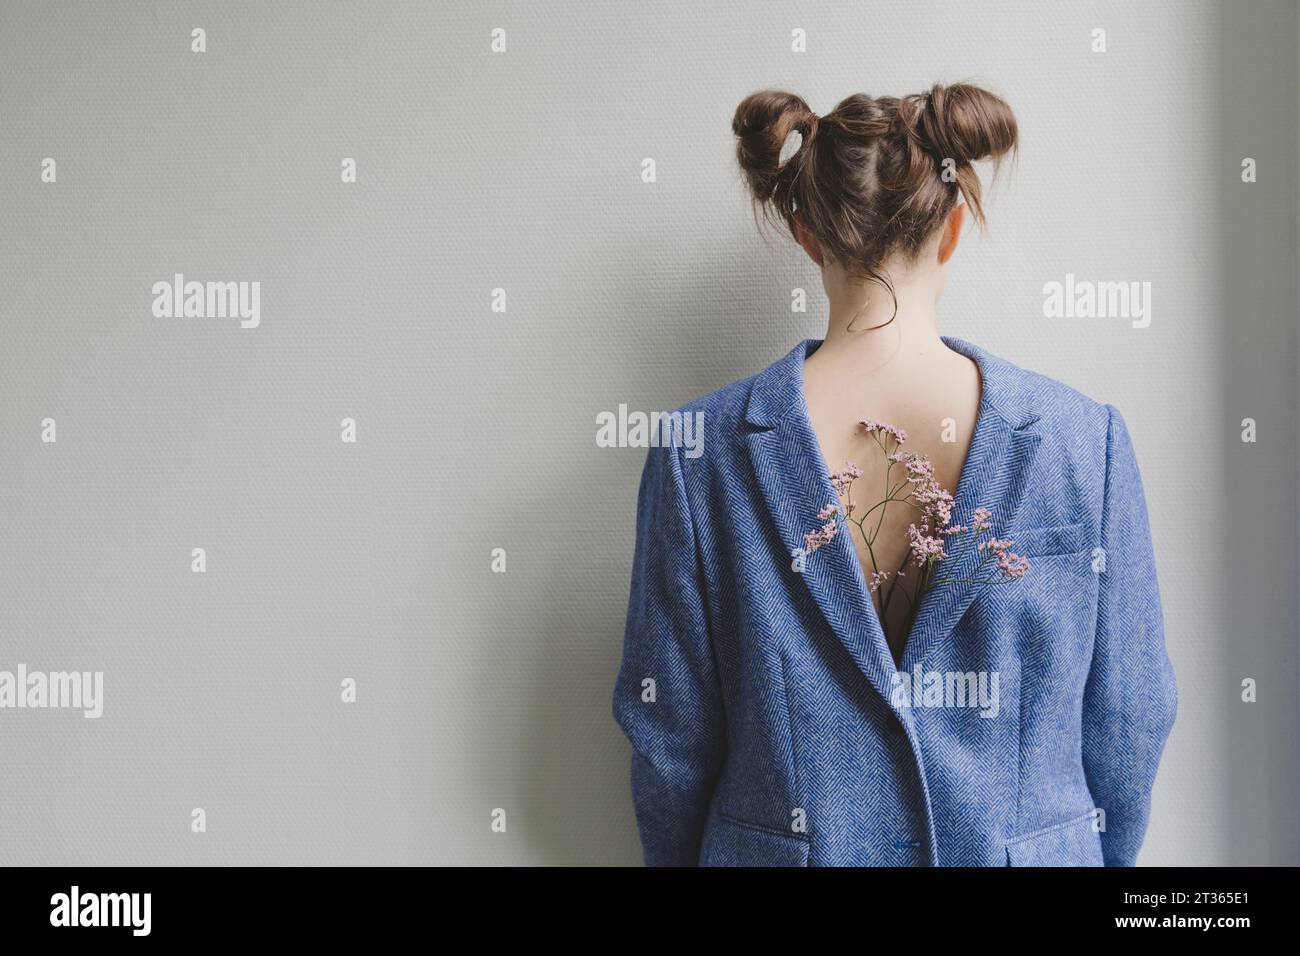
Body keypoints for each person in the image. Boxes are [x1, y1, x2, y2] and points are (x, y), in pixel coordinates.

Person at [612, 84, 1177, 866]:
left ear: (806, 235)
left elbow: (670, 739)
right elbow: (1130, 717)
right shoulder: (1092, 443)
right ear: (951, 231)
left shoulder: (691, 452)